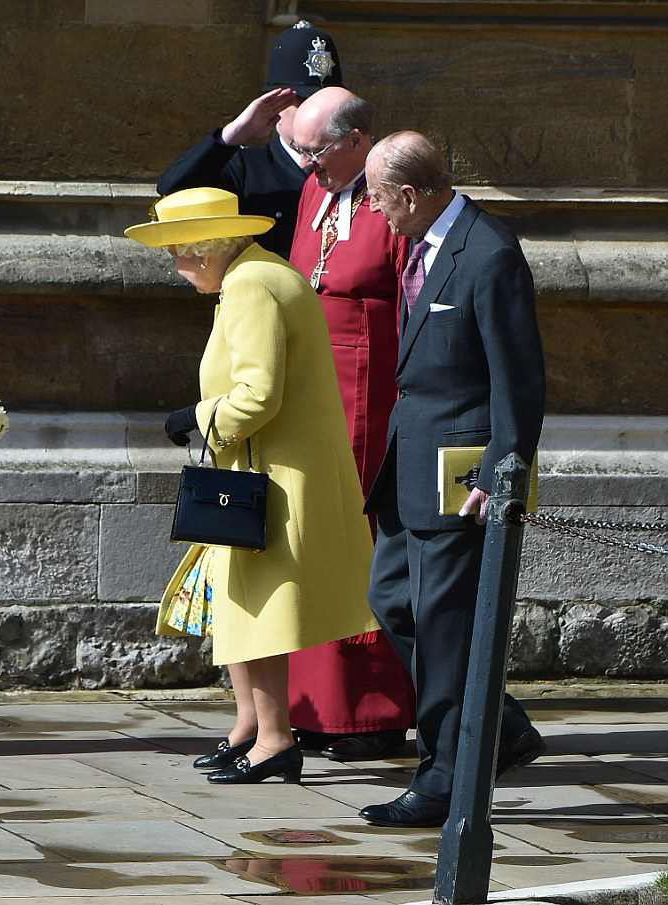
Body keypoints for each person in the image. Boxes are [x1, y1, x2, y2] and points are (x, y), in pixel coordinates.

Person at [125, 187, 378, 784]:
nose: (175, 265)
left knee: (253, 608)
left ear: (205, 248)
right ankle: (248, 726)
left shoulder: (249, 284)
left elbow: (258, 394)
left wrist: (195, 417)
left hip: (266, 476)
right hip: (264, 468)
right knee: (235, 603)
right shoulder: (259, 272)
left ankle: (273, 740)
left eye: (178, 252)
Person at [359, 131, 547, 827]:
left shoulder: (489, 252)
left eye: (379, 200)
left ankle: (442, 774)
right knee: (393, 600)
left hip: (457, 476)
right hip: (406, 467)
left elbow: (518, 380)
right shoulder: (424, 239)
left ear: (409, 195)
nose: (375, 214)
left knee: (443, 626)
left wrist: (503, 474)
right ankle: (501, 727)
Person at [285, 86, 417, 762]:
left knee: (362, 542)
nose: (306, 164)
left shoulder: (391, 196)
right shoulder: (317, 189)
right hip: (312, 392)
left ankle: (373, 714)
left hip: (371, 397)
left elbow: (415, 305)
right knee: (311, 541)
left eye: (316, 151)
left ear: (357, 140)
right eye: (301, 150)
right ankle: (311, 707)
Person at [157, 20, 342, 259]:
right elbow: (173, 189)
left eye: (327, 104)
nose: (317, 116)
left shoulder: (352, 166)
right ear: (272, 104)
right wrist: (233, 134)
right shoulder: (247, 167)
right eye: (304, 104)